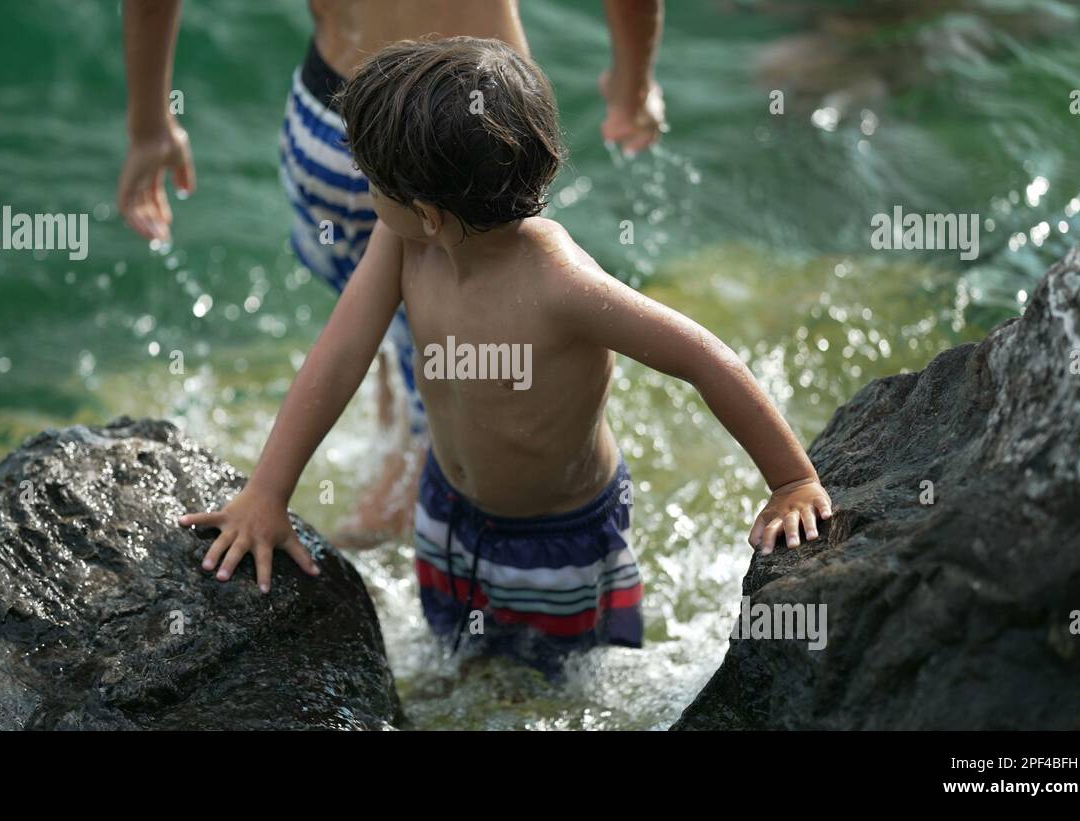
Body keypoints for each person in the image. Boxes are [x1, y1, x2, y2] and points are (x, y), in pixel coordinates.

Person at [179, 38, 831, 673]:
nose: (368, 192)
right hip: (447, 505)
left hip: (557, 535)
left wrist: (791, 480)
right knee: (454, 652)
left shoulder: (561, 285)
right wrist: (267, 492)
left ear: (429, 213)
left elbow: (705, 358)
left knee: (552, 683)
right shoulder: (403, 242)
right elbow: (342, 353)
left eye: (372, 181)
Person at [118, 0, 667, 542]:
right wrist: (633, 84)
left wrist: (150, 126)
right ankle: (384, 525)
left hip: (329, 123)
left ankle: (384, 471)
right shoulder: (560, 279)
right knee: (454, 347)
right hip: (473, 140)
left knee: (387, 317)